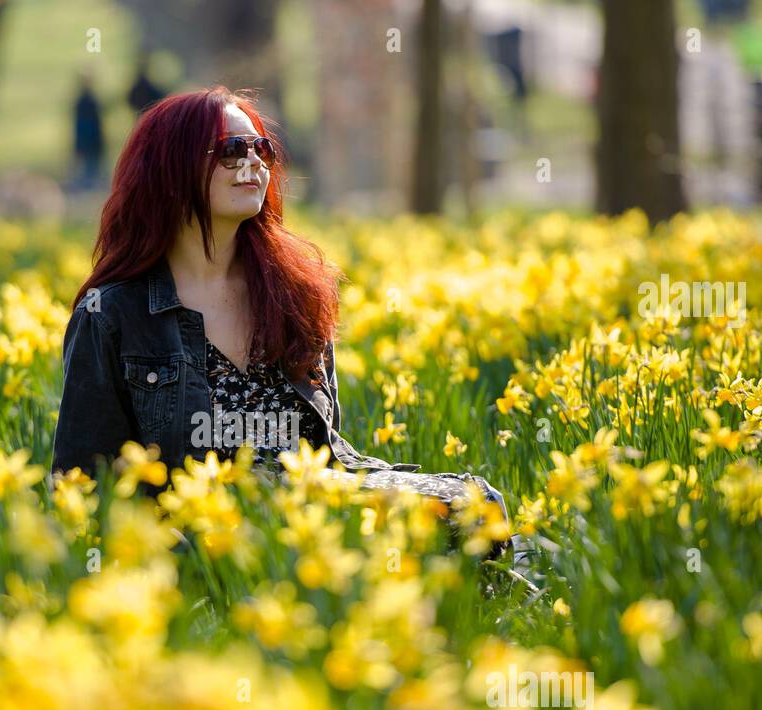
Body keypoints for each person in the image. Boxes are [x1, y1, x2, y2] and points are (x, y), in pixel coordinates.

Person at [51, 87, 513, 564]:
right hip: (197, 535)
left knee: (476, 507)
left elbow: (326, 449)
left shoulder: (292, 294)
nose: (252, 162)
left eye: (261, 149)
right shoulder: (110, 315)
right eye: (231, 150)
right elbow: (81, 483)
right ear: (171, 167)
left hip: (311, 510)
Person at [71, 71, 105, 190]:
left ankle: (89, 185)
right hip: (89, 138)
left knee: (90, 166)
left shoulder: (84, 101)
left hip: (89, 138)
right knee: (89, 166)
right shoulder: (88, 101)